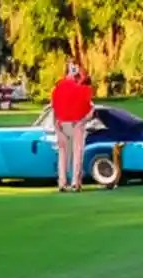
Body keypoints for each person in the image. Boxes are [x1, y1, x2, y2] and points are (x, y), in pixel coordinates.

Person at [50, 60, 94, 192]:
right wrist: (84, 120)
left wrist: (56, 128)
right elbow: (88, 109)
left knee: (63, 154)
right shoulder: (83, 89)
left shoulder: (58, 87)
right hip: (76, 124)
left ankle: (62, 183)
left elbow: (54, 108)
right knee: (77, 153)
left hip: (61, 124)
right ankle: (75, 182)